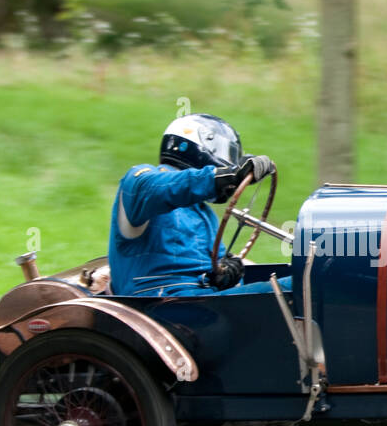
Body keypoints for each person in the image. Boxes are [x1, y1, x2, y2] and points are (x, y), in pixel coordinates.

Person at [107, 113, 286, 297]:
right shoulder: (139, 183)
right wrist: (225, 176)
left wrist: (225, 276)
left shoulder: (204, 215)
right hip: (161, 304)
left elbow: (212, 272)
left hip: (201, 303)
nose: (228, 162)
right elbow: (170, 187)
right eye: (226, 152)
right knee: (294, 288)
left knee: (299, 282)